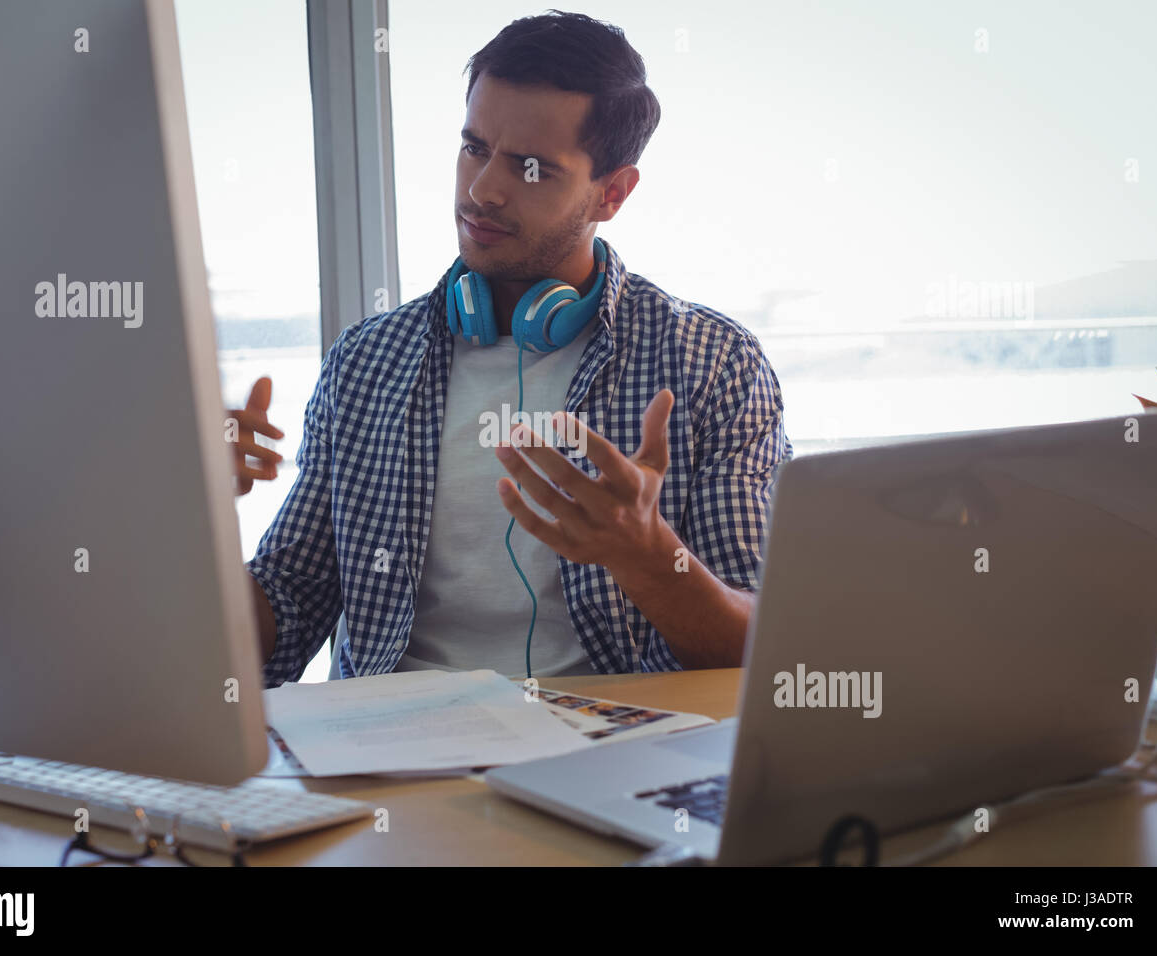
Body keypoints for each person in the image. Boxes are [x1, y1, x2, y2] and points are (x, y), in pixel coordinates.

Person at [229, 11, 791, 686]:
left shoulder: (714, 364)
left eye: (530, 168)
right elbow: (285, 608)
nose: (481, 190)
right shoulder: (367, 362)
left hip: (613, 757)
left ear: (611, 193)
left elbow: (759, 648)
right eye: (474, 148)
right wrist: (188, 514)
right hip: (393, 759)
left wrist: (647, 556)